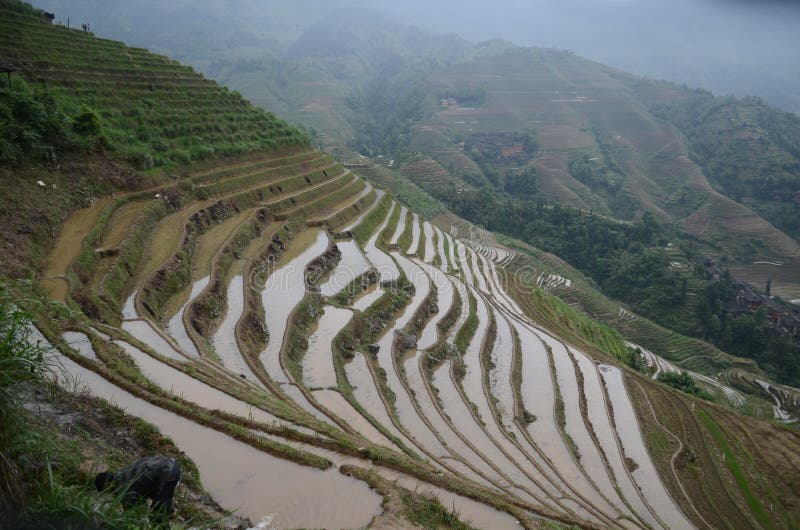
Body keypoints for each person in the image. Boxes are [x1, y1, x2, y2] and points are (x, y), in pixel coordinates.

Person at [94, 455, 181, 527]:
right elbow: (151, 488)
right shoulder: (123, 472)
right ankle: (169, 511)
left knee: (157, 516)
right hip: (172, 465)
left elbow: (135, 517)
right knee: (161, 503)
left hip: (166, 473)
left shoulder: (124, 490)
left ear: (108, 487)